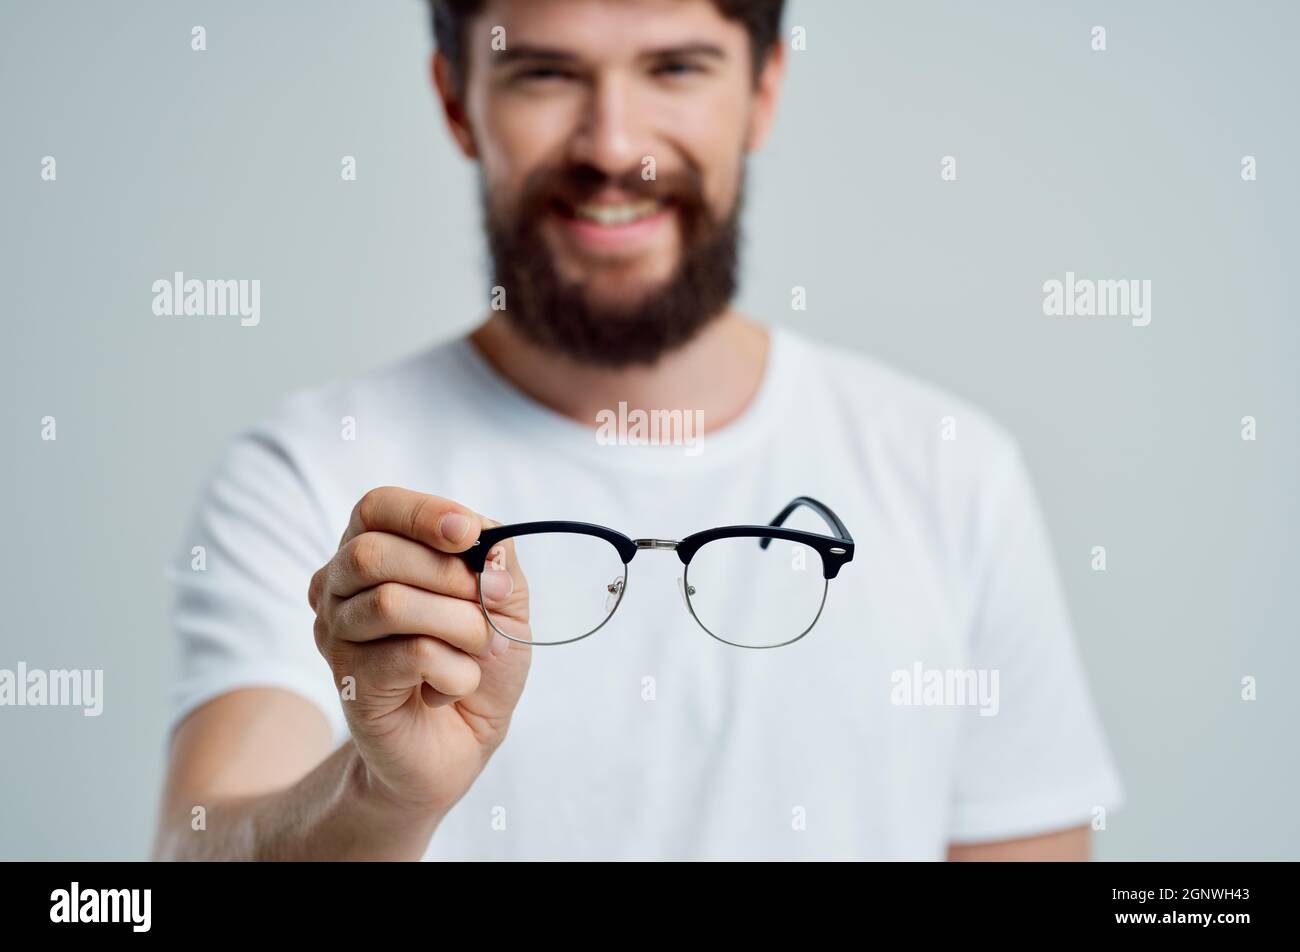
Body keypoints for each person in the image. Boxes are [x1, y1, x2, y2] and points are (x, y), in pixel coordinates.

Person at [153, 0, 1121, 861]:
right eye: (545, 72)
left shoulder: (952, 473)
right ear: (455, 99)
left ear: (763, 89)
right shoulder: (313, 473)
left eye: (675, 67)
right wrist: (381, 793)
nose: (615, 145)